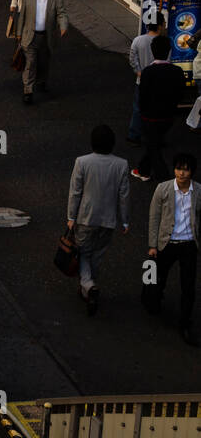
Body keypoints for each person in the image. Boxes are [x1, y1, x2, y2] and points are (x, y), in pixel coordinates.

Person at [66, 125, 131, 315]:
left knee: (83, 253)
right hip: (108, 220)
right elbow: (124, 195)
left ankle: (88, 285)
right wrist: (125, 220)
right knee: (97, 254)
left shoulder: (82, 162)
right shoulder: (122, 164)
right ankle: (89, 288)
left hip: (86, 218)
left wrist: (71, 216)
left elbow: (75, 192)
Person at [146, 152, 201, 346]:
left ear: (192, 171)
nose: (181, 173)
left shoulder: (199, 191)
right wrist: (152, 245)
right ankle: (151, 297)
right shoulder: (163, 189)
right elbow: (154, 217)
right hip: (166, 242)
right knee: (152, 274)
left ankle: (185, 322)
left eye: (186, 169)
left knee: (188, 287)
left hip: (188, 244)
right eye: (179, 168)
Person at [136, 34, 186, 182]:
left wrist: (142, 111)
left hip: (150, 116)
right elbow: (180, 94)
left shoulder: (147, 72)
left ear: (152, 51)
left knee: (153, 147)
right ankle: (143, 170)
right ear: (169, 50)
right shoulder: (177, 71)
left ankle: (164, 178)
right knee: (154, 142)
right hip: (169, 115)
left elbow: (142, 96)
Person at [14, 0, 68, 104]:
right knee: (30, 63)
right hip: (30, 36)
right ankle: (28, 90)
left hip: (46, 37)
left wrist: (63, 26)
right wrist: (19, 34)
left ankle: (41, 81)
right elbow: (22, 17)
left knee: (43, 63)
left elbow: (61, 14)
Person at [129, 18, 164, 146]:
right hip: (159, 82)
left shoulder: (138, 40)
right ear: (159, 26)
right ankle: (155, 136)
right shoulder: (164, 42)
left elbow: (132, 59)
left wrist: (139, 72)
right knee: (157, 109)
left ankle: (134, 135)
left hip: (142, 81)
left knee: (138, 108)